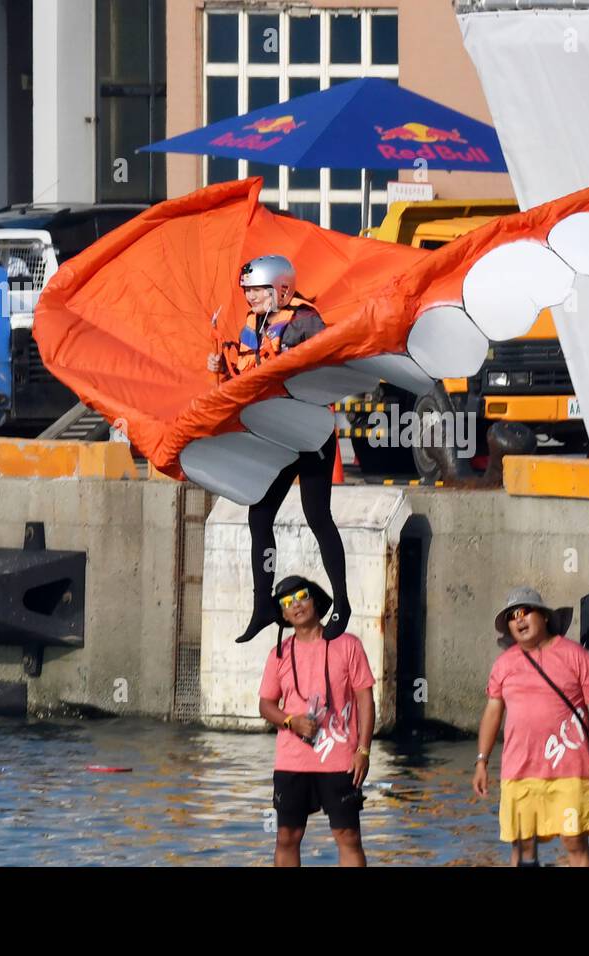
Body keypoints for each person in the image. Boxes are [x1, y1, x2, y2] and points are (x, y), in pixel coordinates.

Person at [210, 255, 352, 643]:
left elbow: (326, 362)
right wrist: (219, 367)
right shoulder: (252, 326)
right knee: (259, 516)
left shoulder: (306, 321)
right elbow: (242, 375)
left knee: (317, 516)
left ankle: (341, 602)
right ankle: (262, 607)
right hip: (276, 433)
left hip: (309, 431)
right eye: (248, 291)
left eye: (257, 290)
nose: (251, 297)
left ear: (281, 289)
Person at [472, 586, 589, 867]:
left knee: (574, 842)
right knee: (523, 847)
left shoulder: (574, 655)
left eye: (525, 612)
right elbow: (493, 712)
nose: (519, 620)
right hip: (519, 770)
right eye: (512, 616)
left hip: (570, 768)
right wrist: (481, 761)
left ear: (545, 617)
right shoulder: (503, 664)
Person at [257, 575, 376, 867]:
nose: (296, 605)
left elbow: (365, 699)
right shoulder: (279, 654)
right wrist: (290, 722)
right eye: (287, 603)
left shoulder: (348, 644)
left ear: (316, 601)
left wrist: (363, 750)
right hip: (292, 761)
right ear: (283, 615)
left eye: (302, 596)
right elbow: (265, 705)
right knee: (287, 835)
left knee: (348, 835)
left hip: (340, 760)